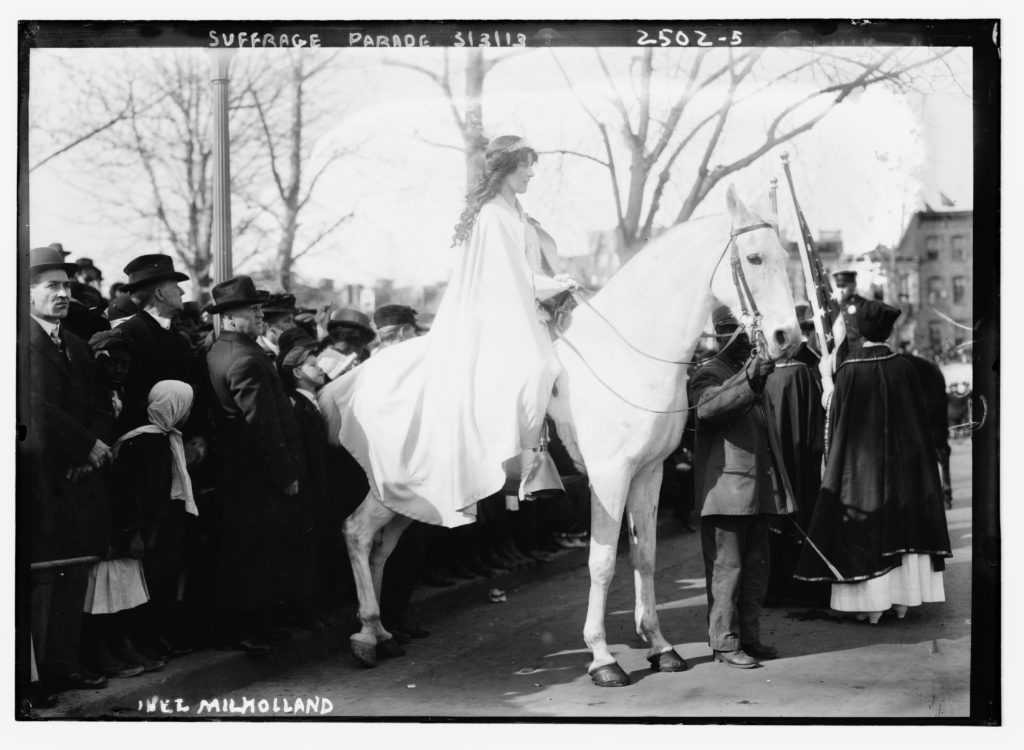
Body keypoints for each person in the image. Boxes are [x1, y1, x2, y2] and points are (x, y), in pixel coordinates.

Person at [320, 134, 578, 528]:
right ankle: (527, 463)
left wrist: (555, 280)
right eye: (525, 165)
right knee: (537, 367)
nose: (530, 173)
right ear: (507, 168)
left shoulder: (519, 213)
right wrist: (553, 284)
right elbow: (513, 278)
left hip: (526, 308)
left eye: (531, 165)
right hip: (501, 312)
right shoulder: (493, 215)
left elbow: (531, 271)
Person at [794, 300, 952, 623]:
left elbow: (834, 412)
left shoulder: (849, 369)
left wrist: (826, 380)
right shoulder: (905, 368)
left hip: (861, 470)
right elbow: (918, 425)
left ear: (860, 332)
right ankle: (902, 601)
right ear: (890, 331)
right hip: (902, 472)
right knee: (901, 527)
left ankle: (871, 606)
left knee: (868, 530)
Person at [25, 246, 113, 704]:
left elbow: (101, 401)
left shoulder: (76, 343)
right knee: (39, 579)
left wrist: (93, 447)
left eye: (65, 287)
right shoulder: (16, 341)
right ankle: (29, 682)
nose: (62, 295)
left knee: (73, 572)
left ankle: (65, 666)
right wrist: (83, 444)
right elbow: (33, 405)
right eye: (51, 287)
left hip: (78, 477)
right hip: (39, 479)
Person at [688, 305, 795, 668]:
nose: (749, 340)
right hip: (726, 494)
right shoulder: (708, 372)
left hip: (755, 492)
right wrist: (749, 377)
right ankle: (723, 642)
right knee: (727, 572)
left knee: (754, 573)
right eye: (741, 333)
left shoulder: (742, 371)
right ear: (724, 335)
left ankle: (748, 638)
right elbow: (707, 409)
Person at [205, 275, 304, 654]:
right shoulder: (245, 357)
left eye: (260, 307)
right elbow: (262, 426)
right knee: (254, 553)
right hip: (254, 475)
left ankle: (253, 626)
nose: (261, 314)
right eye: (253, 309)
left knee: (248, 551)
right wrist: (286, 476)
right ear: (230, 316)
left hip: (241, 472)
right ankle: (248, 630)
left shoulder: (225, 349)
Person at [111, 380, 199, 657]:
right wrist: (134, 533)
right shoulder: (139, 443)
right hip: (148, 530)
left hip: (166, 528)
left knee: (163, 583)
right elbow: (130, 493)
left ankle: (158, 637)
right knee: (147, 586)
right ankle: (143, 642)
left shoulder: (167, 440)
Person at [762, 305, 829, 607]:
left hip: (776, 462)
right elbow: (816, 421)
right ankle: (803, 586)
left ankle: (777, 587)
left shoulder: (765, 377)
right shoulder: (804, 373)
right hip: (803, 461)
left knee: (777, 521)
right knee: (803, 514)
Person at [832, 270, 869, 356]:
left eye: (844, 286)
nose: (841, 290)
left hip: (858, 351)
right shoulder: (834, 305)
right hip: (839, 351)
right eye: (838, 286)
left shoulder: (863, 304)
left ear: (853, 284)